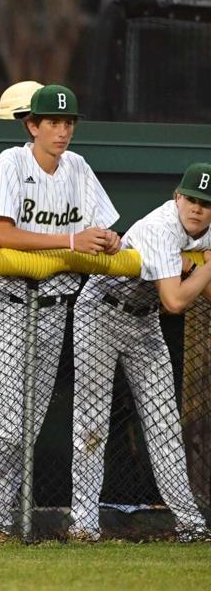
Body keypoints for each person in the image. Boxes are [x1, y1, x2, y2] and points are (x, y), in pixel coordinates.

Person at [0, 84, 120, 544]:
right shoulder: (12, 162)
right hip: (12, 305)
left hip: (54, 308)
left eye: (68, 122)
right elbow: (3, 233)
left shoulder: (78, 167)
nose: (63, 130)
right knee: (8, 424)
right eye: (53, 122)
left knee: (26, 426)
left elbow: (104, 227)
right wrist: (72, 242)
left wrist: (109, 241)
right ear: (33, 125)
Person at [69, 163, 211, 543]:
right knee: (92, 423)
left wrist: (200, 267)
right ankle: (83, 525)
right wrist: (205, 266)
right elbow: (176, 301)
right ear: (177, 197)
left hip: (143, 321)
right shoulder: (160, 227)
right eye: (192, 199)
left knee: (164, 424)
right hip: (101, 310)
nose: (197, 209)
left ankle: (190, 524)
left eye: (206, 203)